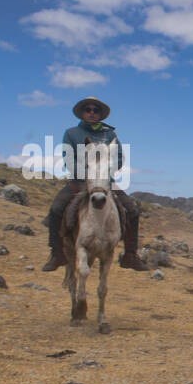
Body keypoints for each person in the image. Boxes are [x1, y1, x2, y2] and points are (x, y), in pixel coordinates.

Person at [41, 97, 144, 271]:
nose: (91, 113)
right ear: (82, 113)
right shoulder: (71, 133)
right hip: (79, 181)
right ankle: (56, 253)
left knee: (132, 209)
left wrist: (105, 172)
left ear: (100, 114)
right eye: (88, 110)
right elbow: (68, 158)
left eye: (95, 110)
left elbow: (118, 156)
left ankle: (130, 254)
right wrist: (86, 174)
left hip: (104, 181)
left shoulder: (109, 135)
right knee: (57, 208)